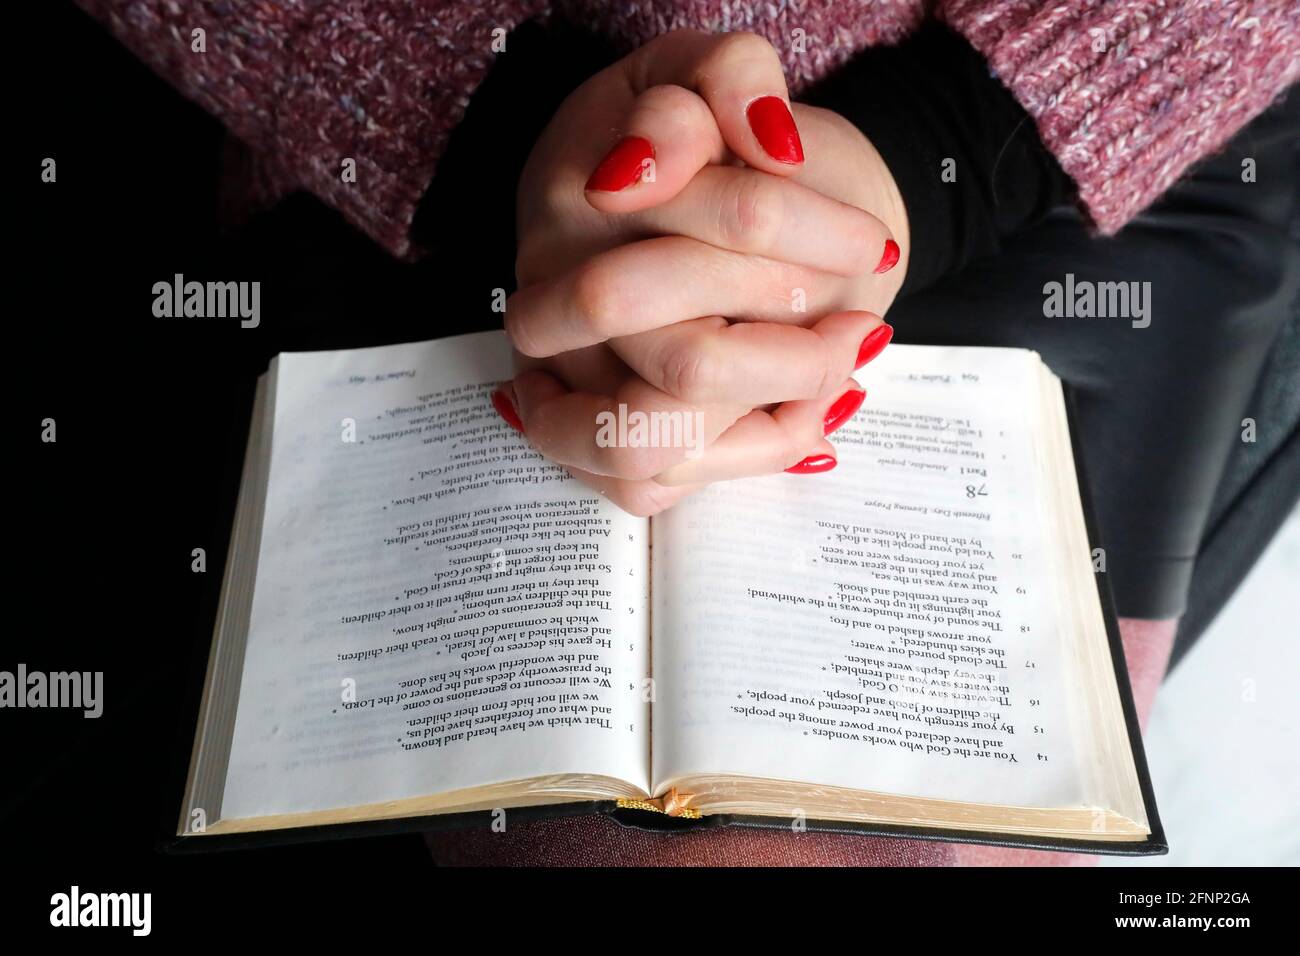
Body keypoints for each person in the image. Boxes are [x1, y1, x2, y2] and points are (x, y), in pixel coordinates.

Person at [76, 0, 1300, 864]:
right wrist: (508, 128)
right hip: (415, 169)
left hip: (1078, 143)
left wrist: (934, 149)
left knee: (963, 814)